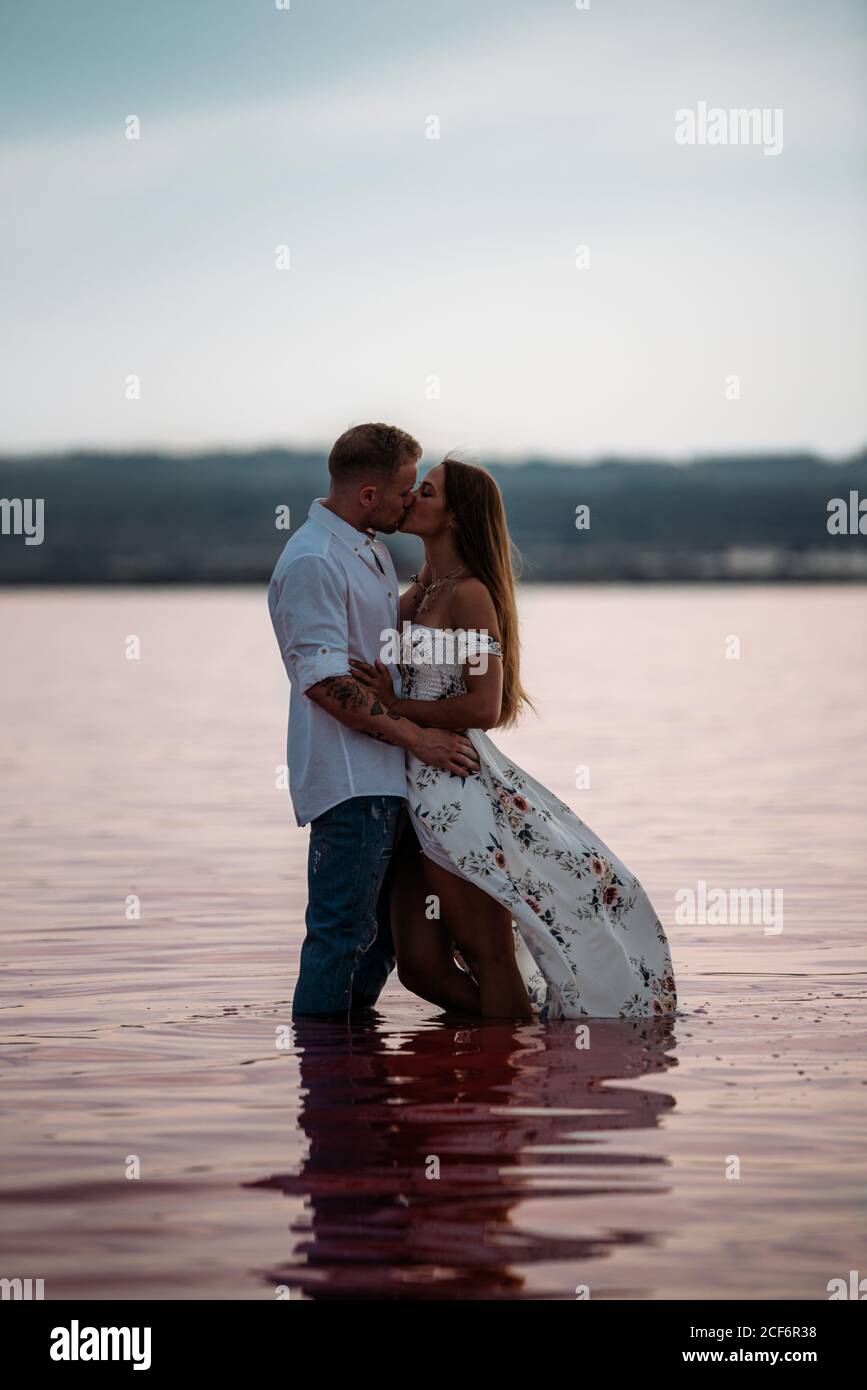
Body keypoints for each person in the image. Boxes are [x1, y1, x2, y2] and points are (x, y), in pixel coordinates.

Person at [349, 457, 678, 1022]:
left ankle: (499, 1092)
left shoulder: (470, 594)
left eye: (425, 492)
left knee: (487, 954)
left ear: (455, 517)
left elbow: (486, 706)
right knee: (420, 966)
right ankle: (521, 1046)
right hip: (406, 795)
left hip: (455, 790)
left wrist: (394, 707)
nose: (412, 499)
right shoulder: (420, 592)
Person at [267, 423, 480, 1020]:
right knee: (340, 935)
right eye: (405, 488)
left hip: (387, 776)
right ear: (368, 495)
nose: (409, 500)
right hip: (350, 781)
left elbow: (385, 620)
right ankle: (325, 1082)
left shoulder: (369, 548)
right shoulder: (313, 559)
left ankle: (355, 1069)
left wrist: (453, 574)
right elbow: (326, 683)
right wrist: (420, 738)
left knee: (381, 940)